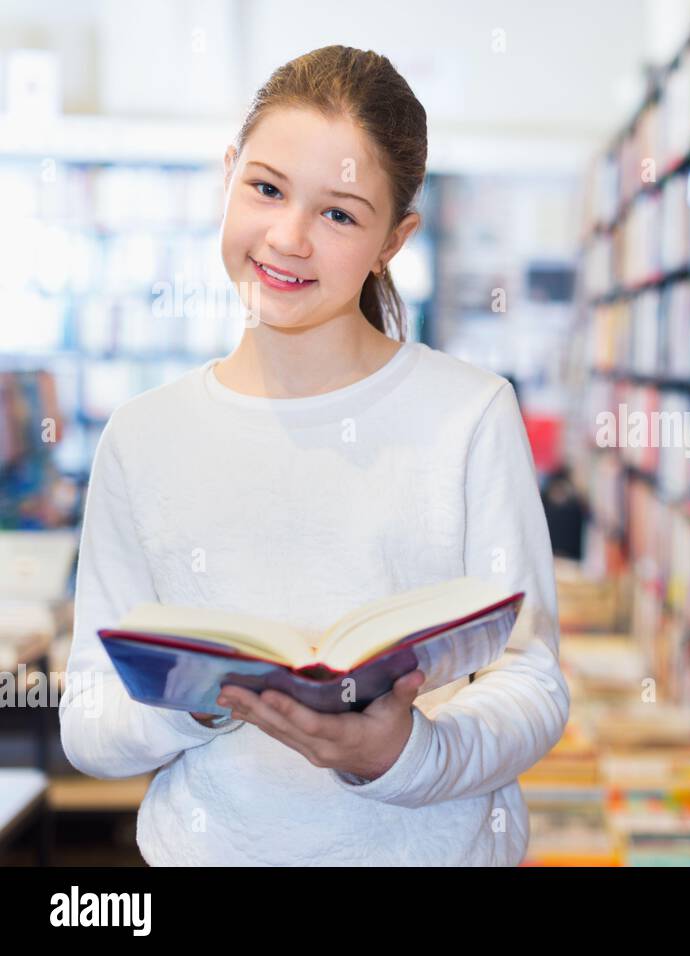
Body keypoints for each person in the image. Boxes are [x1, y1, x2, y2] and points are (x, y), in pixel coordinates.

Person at [57, 45, 569, 866]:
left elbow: (532, 683)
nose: (288, 239)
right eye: (265, 188)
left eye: (339, 214)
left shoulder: (471, 412)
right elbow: (87, 718)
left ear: (393, 241)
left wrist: (403, 756)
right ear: (228, 176)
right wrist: (203, 699)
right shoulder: (142, 436)